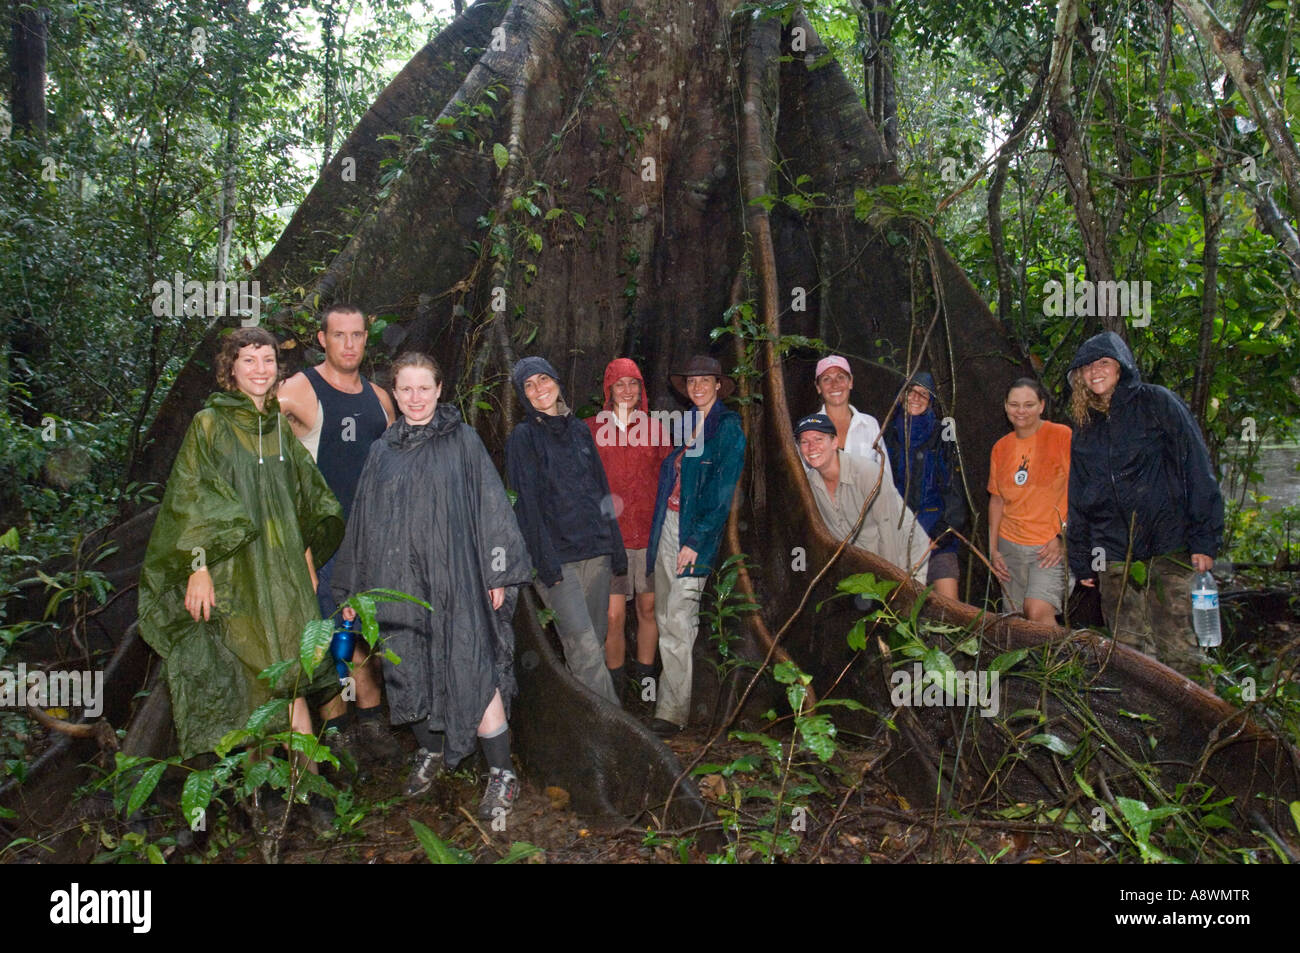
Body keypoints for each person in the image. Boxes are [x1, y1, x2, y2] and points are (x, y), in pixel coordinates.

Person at [138, 327, 344, 834]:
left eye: (267, 359)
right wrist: (198, 567)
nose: (259, 368)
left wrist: (308, 560)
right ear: (230, 368)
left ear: (278, 368)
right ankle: (264, 797)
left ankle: (311, 791)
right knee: (248, 683)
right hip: (231, 576)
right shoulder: (208, 425)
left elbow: (304, 500)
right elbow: (190, 499)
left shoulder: (278, 427)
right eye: (247, 359)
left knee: (293, 679)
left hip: (282, 574)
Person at [330, 353, 532, 817]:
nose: (416, 398)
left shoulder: (462, 441)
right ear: (394, 394)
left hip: (457, 578)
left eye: (424, 388)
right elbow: (362, 522)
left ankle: (502, 772)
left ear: (440, 389)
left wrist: (496, 572)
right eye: (406, 389)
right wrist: (354, 592)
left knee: (471, 664)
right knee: (408, 667)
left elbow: (489, 505)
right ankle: (432, 751)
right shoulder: (382, 451)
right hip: (398, 584)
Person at [278, 303, 398, 768]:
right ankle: (338, 732)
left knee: (363, 632)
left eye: (357, 335)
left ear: (367, 339)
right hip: (319, 545)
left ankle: (370, 720)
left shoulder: (380, 400)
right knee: (326, 636)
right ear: (322, 339)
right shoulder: (298, 391)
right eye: (339, 335)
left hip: (368, 542)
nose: (349, 344)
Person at [1066, 332, 1224, 679]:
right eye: (1087, 366)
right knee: (1129, 653)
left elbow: (1195, 465)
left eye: (1103, 362)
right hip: (1113, 555)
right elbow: (1078, 494)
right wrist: (1081, 559)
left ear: (1121, 366)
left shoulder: (1156, 402)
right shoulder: (1084, 425)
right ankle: (1144, 729)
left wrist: (1205, 538)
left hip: (1167, 546)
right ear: (1078, 375)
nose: (1095, 372)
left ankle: (1201, 728)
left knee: (1179, 647)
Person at [505, 356, 626, 705]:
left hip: (597, 551)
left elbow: (601, 489)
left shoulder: (579, 430)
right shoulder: (523, 439)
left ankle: (589, 726)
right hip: (557, 561)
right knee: (583, 648)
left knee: (595, 643)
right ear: (522, 395)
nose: (539, 389)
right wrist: (546, 564)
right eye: (529, 385)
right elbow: (524, 505)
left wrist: (615, 547)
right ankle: (617, 729)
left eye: (544, 379)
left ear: (557, 381)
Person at [646, 355, 746, 736]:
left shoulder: (728, 428)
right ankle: (674, 702)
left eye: (706, 380)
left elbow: (722, 496)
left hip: (694, 535)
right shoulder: (686, 424)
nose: (698, 386)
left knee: (678, 618)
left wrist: (696, 541)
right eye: (692, 382)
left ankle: (671, 713)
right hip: (668, 526)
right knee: (667, 618)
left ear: (719, 385)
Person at [587, 358, 671, 703]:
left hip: (649, 536)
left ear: (641, 390)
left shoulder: (657, 429)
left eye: (633, 383)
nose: (627, 390)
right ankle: (615, 695)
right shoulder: (591, 429)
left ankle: (646, 691)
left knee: (648, 611)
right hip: (611, 540)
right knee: (613, 614)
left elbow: (669, 480)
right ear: (608, 389)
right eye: (619, 384)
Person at [797, 413, 930, 579]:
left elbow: (888, 529)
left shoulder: (866, 473)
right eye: (804, 442)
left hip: (906, 554)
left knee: (901, 603)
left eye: (818, 439)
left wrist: (890, 581)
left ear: (834, 442)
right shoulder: (809, 486)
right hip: (867, 560)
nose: (811, 447)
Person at [987, 379, 1071, 624]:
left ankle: (1065, 662)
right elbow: (996, 500)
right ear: (1005, 406)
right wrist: (993, 550)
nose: (1020, 411)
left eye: (1028, 404)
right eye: (1014, 404)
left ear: (1041, 406)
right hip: (1009, 546)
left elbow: (1080, 491)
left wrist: (1062, 536)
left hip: (1048, 547)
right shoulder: (1001, 448)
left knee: (1037, 612)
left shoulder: (1061, 436)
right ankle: (1034, 665)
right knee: (1015, 620)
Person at [884, 372, 968, 601]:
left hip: (937, 536)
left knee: (950, 606)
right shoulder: (888, 435)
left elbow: (955, 493)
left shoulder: (943, 436)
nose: (916, 398)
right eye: (912, 391)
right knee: (903, 604)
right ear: (902, 396)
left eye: (924, 394)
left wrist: (938, 536)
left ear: (931, 401)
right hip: (899, 537)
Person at [811, 355, 891, 474]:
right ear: (818, 387)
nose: (834, 384)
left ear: (851, 382)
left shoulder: (869, 425)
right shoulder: (809, 428)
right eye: (826, 379)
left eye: (840, 377)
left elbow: (885, 475)